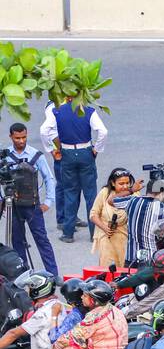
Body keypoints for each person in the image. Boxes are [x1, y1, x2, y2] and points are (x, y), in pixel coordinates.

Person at [40, 98, 107, 243]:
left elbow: (44, 130)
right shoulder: (89, 111)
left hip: (67, 153)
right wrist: (96, 149)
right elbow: (103, 131)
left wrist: (51, 150)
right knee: (90, 195)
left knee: (70, 192)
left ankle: (68, 233)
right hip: (85, 153)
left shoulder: (57, 111)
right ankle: (93, 233)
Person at [5, 123, 58, 275]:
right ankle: (23, 274)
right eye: (17, 138)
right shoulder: (5, 155)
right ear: (11, 137)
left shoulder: (36, 155)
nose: (21, 141)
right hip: (14, 206)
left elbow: (49, 178)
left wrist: (48, 201)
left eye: (24, 137)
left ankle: (53, 274)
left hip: (33, 205)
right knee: (17, 242)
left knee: (42, 240)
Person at [121, 166, 164, 269]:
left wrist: (131, 190)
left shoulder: (131, 201)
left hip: (131, 261)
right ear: (162, 193)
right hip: (152, 264)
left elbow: (111, 200)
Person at [89, 167, 132, 269]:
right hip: (106, 236)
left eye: (127, 183)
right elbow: (93, 214)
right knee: (106, 268)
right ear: (113, 183)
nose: (125, 186)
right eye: (121, 184)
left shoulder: (134, 194)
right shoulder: (105, 192)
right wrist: (105, 228)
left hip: (124, 237)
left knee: (123, 268)